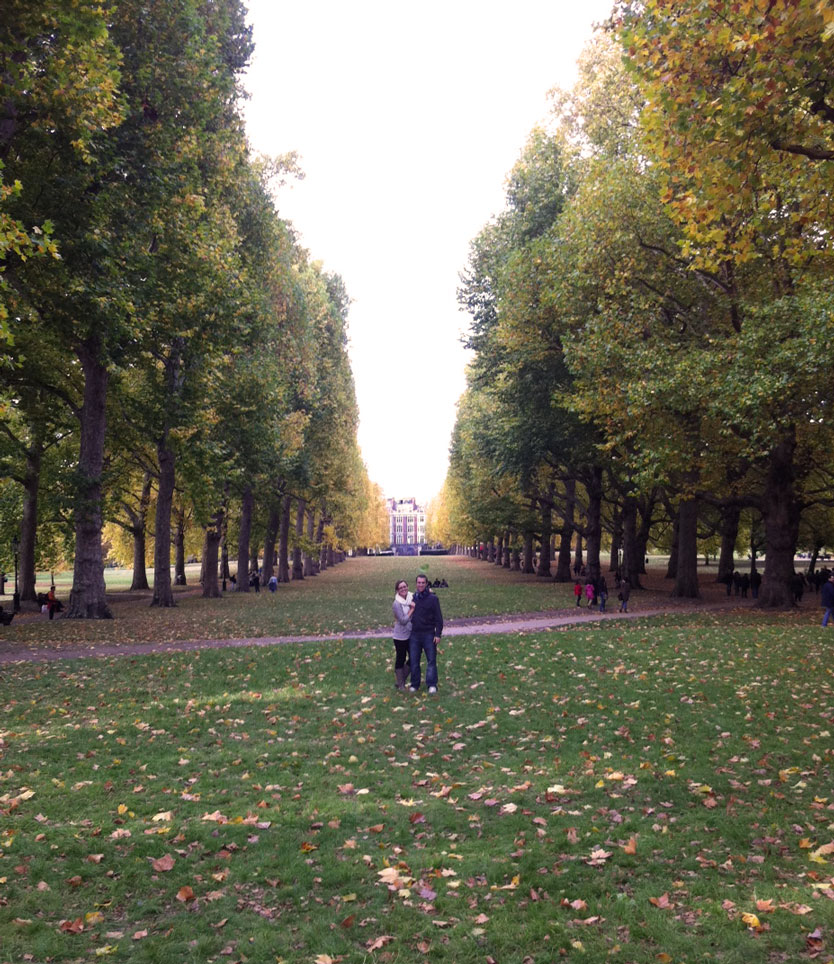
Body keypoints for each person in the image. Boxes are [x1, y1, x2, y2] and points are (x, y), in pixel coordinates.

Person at [409, 574, 443, 694]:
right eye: (419, 582)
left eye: (423, 583)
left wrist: (438, 634)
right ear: (416, 584)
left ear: (427, 584)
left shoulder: (433, 599)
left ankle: (432, 684)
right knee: (414, 661)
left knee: (431, 661)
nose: (421, 585)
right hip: (415, 634)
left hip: (429, 634)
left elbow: (439, 618)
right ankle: (415, 684)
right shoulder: (413, 598)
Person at [391, 579, 414, 689]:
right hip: (400, 636)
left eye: (405, 586)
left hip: (411, 634)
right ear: (397, 590)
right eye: (400, 588)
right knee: (401, 658)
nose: (403, 589)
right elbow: (403, 620)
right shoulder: (396, 603)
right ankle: (401, 685)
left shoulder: (412, 597)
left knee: (414, 657)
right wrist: (412, 609)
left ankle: (400, 680)